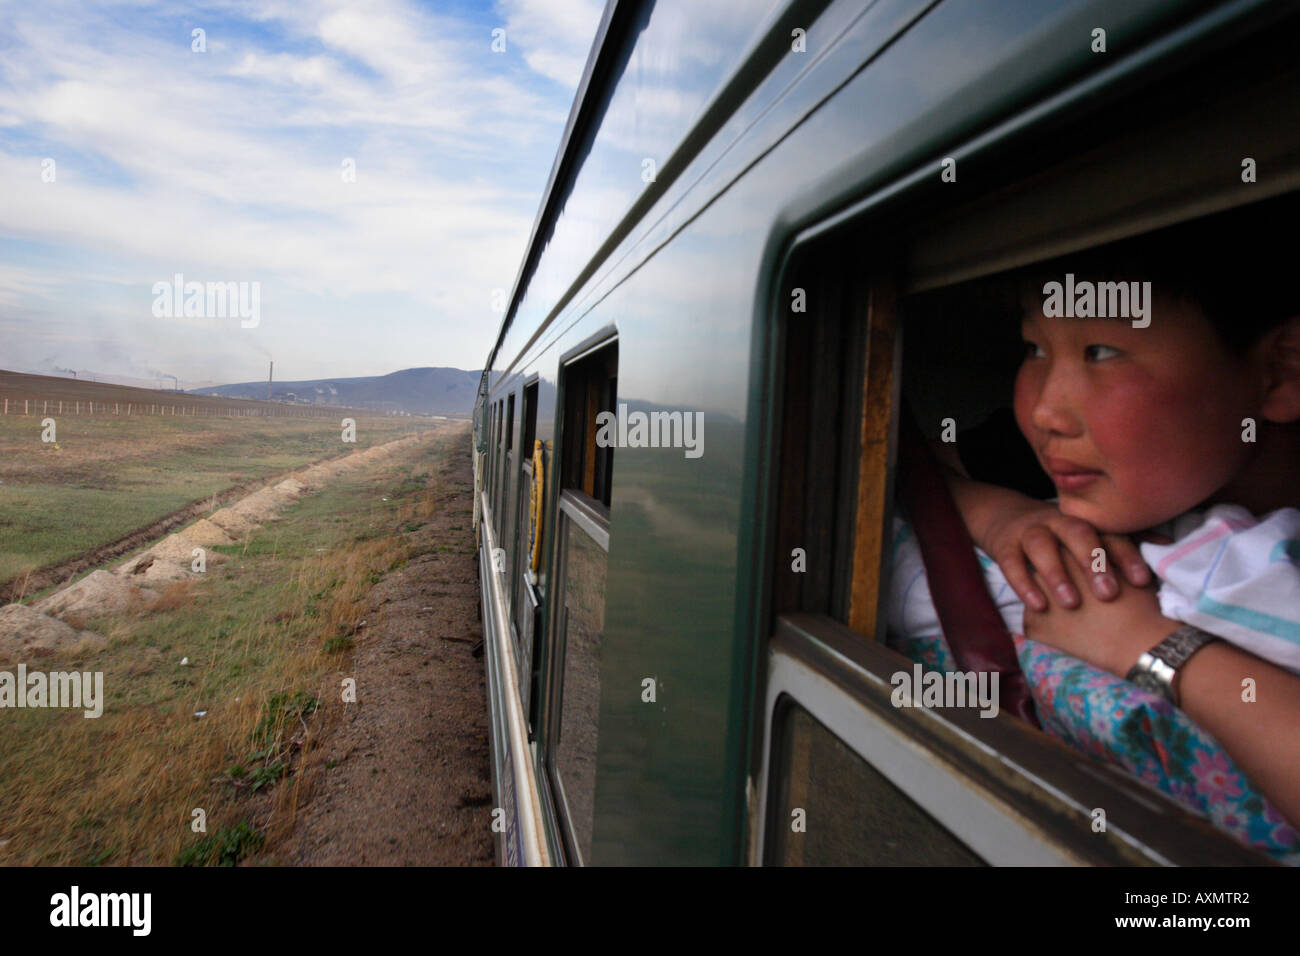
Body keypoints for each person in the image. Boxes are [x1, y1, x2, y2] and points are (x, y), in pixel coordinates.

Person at [895, 219, 1300, 840]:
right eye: (1034, 348)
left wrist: (1146, 645)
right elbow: (897, 465)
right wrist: (997, 512)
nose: (1044, 412)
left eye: (1102, 352)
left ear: (1279, 372)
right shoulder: (1052, 464)